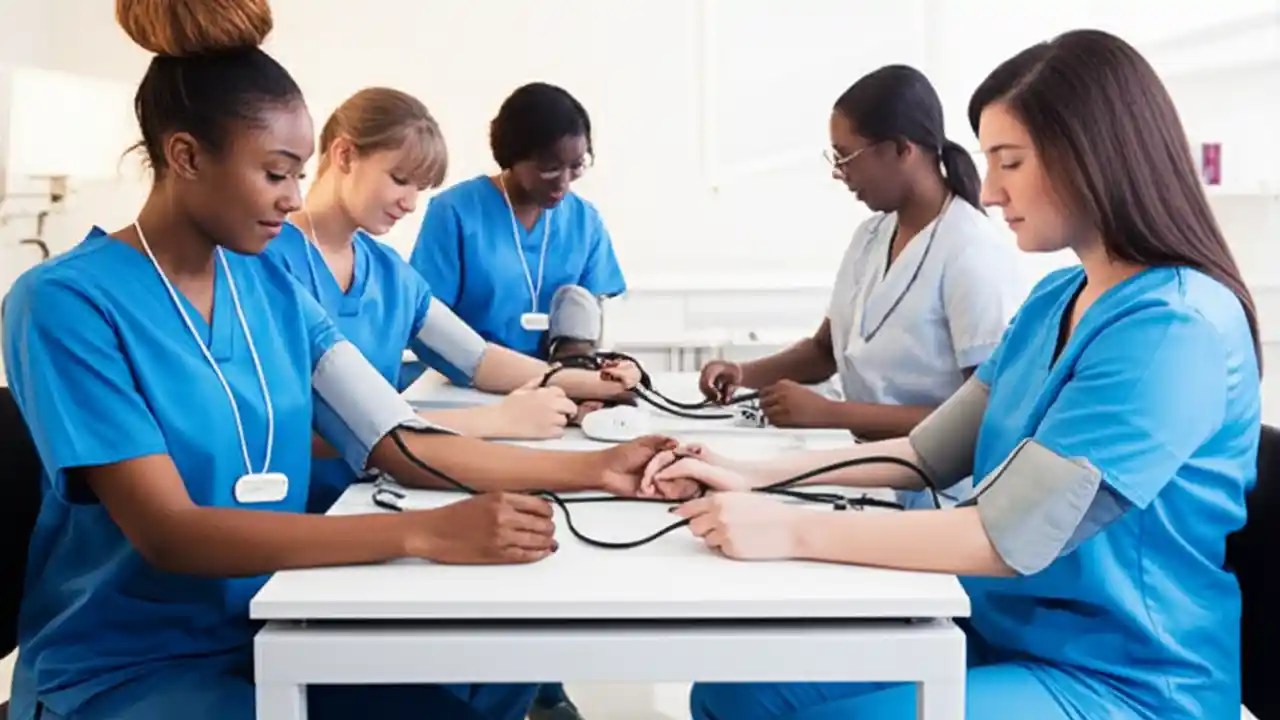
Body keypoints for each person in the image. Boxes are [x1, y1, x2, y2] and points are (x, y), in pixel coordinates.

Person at [2, 2, 673, 719]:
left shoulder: (271, 288)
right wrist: (422, 533)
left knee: (481, 687)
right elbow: (170, 531)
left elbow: (397, 438)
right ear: (187, 157)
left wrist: (600, 469)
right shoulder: (66, 302)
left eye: (298, 174)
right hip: (122, 670)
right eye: (275, 174)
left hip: (273, 631)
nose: (292, 199)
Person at [647, 29, 1261, 720]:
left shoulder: (1174, 328)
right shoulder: (1054, 300)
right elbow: (924, 454)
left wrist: (788, 529)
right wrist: (750, 474)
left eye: (1011, 162)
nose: (991, 191)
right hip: (998, 628)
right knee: (734, 696)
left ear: (1095, 155)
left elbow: (1007, 536)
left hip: (1125, 677)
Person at [263, 87, 640, 512]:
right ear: (345, 155)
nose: (410, 204)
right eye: (400, 180)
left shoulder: (388, 272)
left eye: (419, 188)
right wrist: (492, 421)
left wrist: (591, 382)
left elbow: (477, 359)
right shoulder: (265, 263)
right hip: (304, 511)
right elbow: (290, 429)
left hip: (377, 493)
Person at [697, 65, 1024, 449]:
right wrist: (742, 373)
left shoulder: (973, 250)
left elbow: (981, 417)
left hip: (940, 476)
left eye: (846, 157)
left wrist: (832, 413)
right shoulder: (871, 236)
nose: (839, 173)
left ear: (901, 149)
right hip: (872, 459)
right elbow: (823, 351)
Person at [408, 81, 626, 364]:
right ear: (511, 155)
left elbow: (592, 318)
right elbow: (426, 322)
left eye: (576, 166)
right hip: (467, 376)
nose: (563, 182)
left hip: (560, 377)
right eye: (549, 168)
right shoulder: (454, 212)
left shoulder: (585, 222)